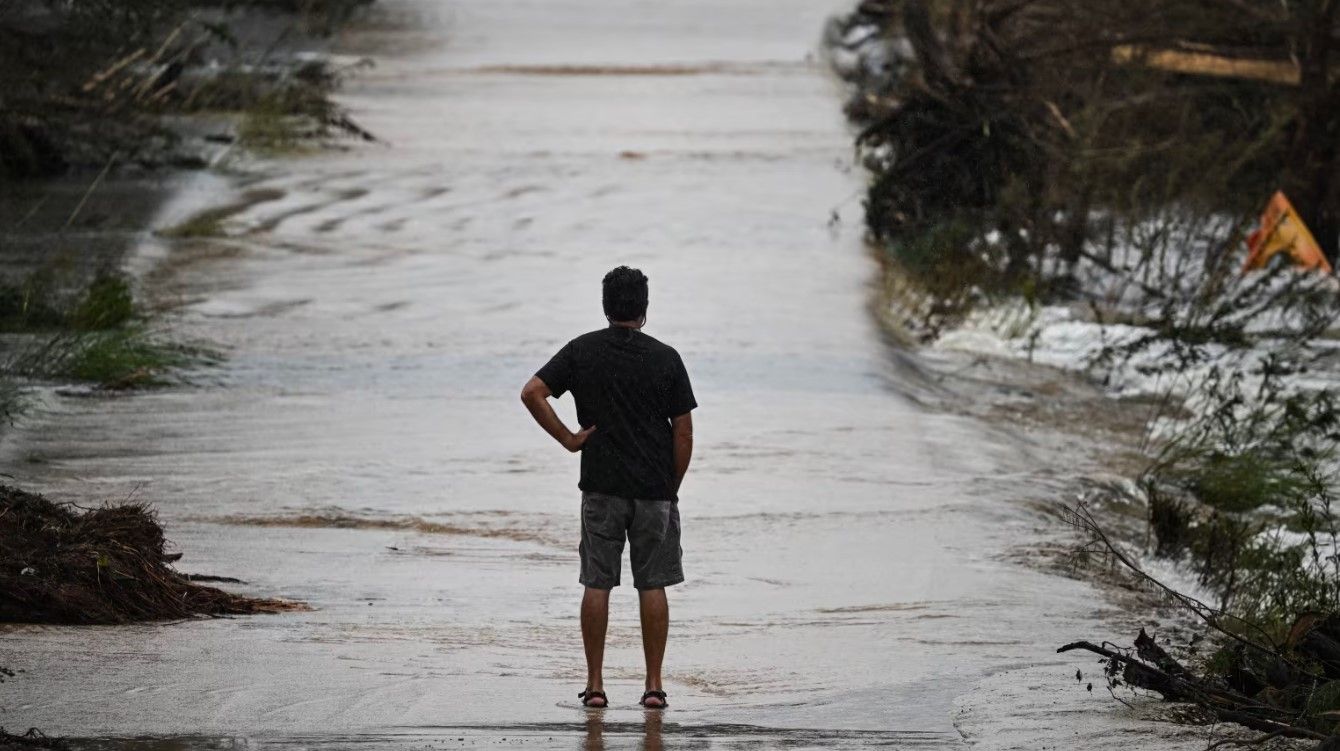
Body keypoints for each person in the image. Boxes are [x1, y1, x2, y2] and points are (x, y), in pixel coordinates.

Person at [520, 266, 696, 710]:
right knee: (652, 585)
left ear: (605, 306)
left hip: (600, 487)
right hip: (654, 490)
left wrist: (569, 439)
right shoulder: (666, 357)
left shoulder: (582, 351)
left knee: (597, 584)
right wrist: (670, 486)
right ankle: (653, 687)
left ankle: (595, 686)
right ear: (645, 308)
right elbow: (684, 433)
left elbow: (533, 392)